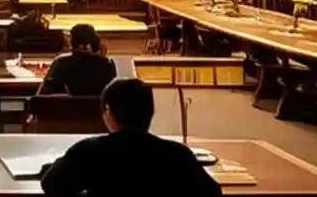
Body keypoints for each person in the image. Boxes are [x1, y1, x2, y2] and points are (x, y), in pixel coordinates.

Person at [40, 78, 221, 197]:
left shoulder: (90, 151)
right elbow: (212, 193)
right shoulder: (177, 155)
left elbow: (51, 183)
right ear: (150, 111)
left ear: (108, 111)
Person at [38, 23, 118, 96]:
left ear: (71, 41)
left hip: (66, 110)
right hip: (96, 111)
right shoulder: (107, 64)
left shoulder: (61, 62)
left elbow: (44, 94)